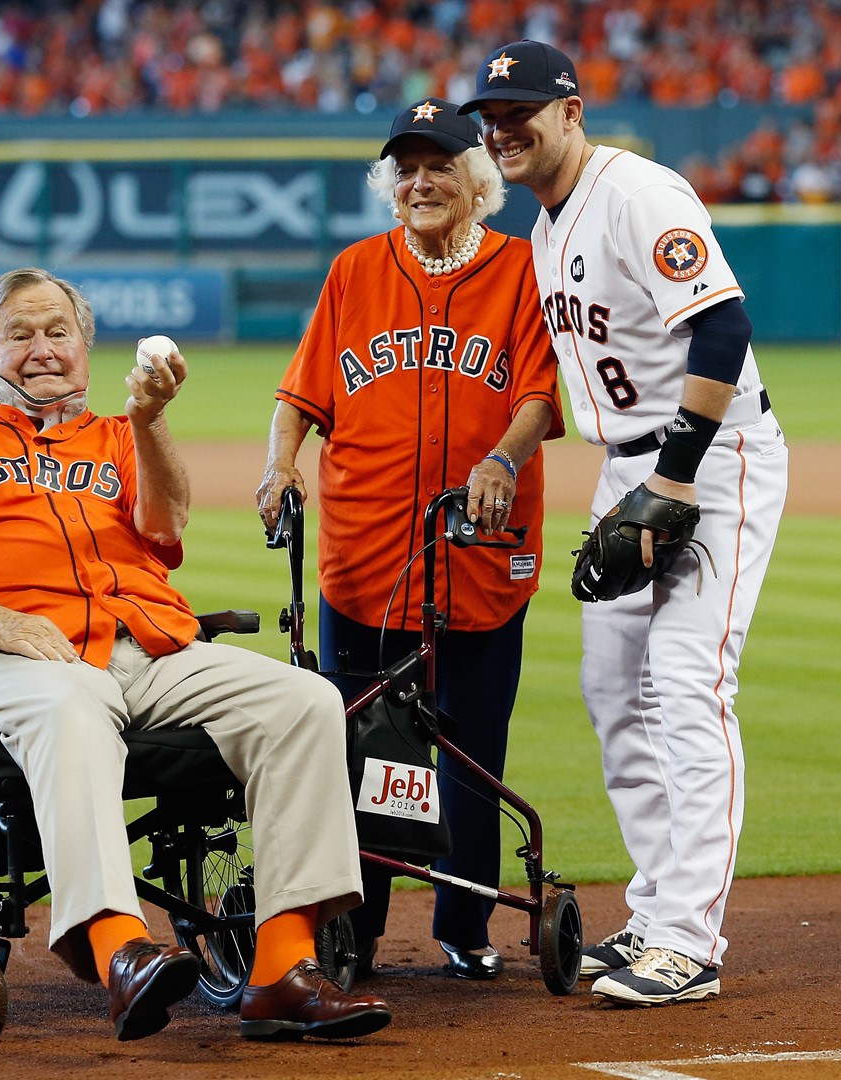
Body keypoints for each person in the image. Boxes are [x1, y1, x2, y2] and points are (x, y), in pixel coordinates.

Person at [0, 267, 393, 1043]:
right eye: (21, 334)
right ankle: (118, 950)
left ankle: (282, 966)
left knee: (305, 701)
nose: (43, 349)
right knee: (74, 703)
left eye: (58, 332)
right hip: (11, 658)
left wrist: (149, 418)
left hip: (145, 644)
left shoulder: (115, 435)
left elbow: (166, 526)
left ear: (85, 346)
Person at [460, 40, 790, 1008]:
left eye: (521, 110)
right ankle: (655, 910)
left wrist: (675, 478)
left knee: (688, 682)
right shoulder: (543, 227)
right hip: (626, 465)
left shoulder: (638, 193)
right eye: (493, 116)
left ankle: (691, 939)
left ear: (571, 112)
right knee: (614, 691)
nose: (503, 129)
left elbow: (722, 328)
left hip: (711, 454)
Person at [254, 98, 563, 981]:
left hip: (479, 550)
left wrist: (502, 457)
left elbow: (538, 394)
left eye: (440, 167)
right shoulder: (355, 270)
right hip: (366, 555)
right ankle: (353, 931)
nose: (421, 182)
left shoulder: (521, 270)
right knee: (360, 750)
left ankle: (466, 925)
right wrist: (279, 465)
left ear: (478, 180)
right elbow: (300, 396)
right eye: (407, 170)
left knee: (472, 750)